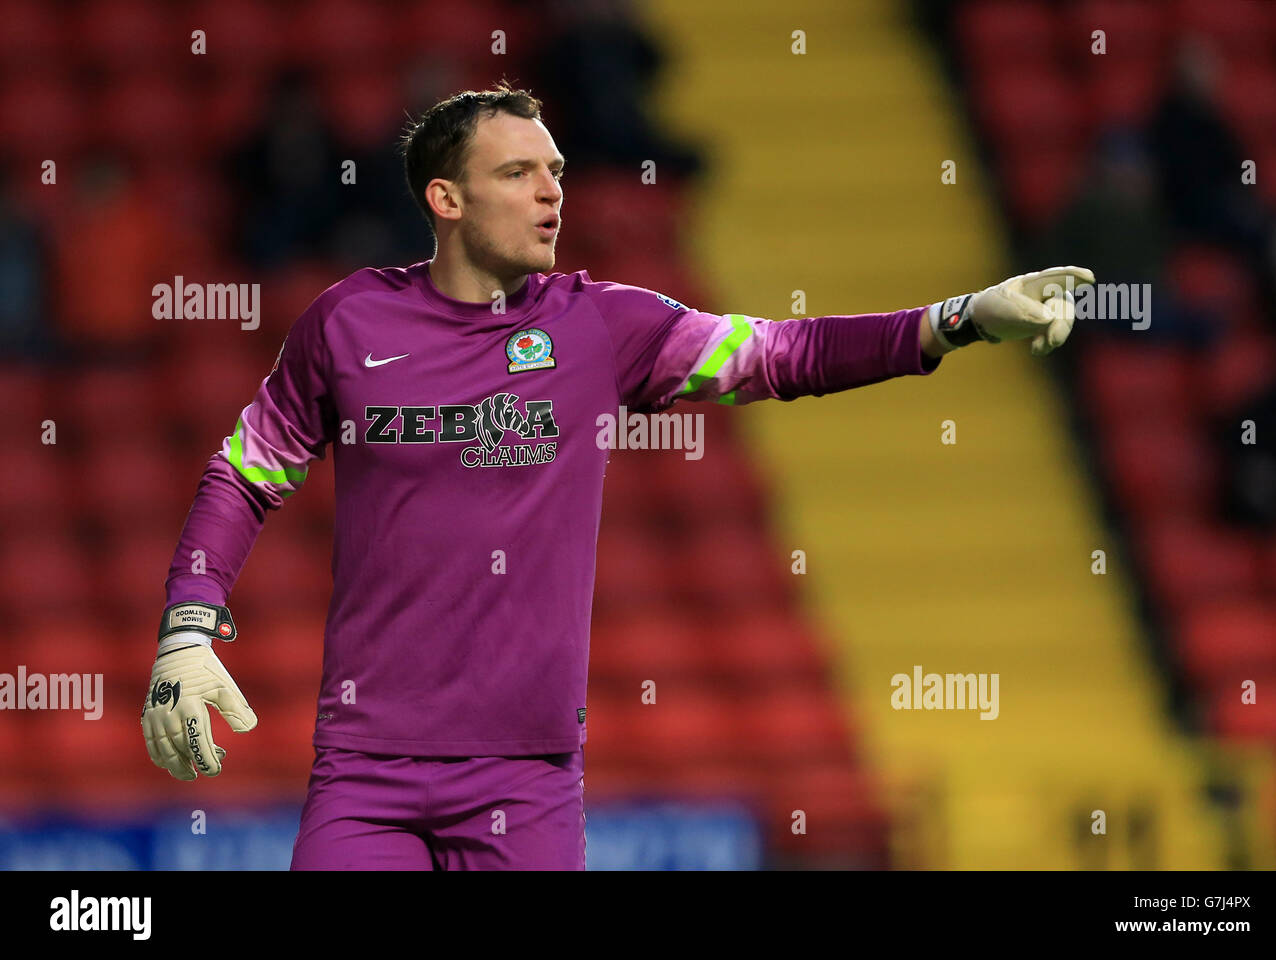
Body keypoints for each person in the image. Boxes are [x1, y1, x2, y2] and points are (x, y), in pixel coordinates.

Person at [140, 81, 1092, 870]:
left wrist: (960, 318)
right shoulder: (349, 325)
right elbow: (242, 475)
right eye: (519, 173)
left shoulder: (604, 326)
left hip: (528, 776)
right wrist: (189, 626)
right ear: (446, 199)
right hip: (365, 773)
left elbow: (783, 355)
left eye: (556, 171)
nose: (554, 193)